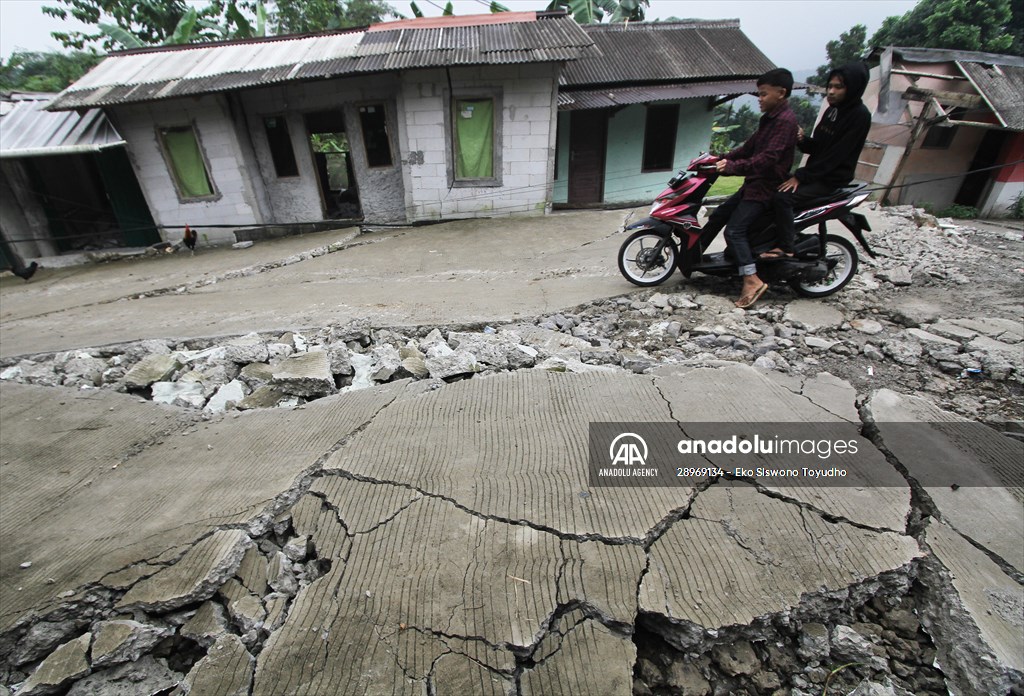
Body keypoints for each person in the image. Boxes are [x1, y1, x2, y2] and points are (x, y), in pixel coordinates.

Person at [702, 68, 798, 308]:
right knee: (719, 215)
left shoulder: (785, 122)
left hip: (765, 187)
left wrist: (733, 167)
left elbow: (767, 159)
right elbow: (748, 147)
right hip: (753, 184)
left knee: (734, 231)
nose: (759, 99)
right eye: (758, 94)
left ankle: (751, 278)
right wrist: (717, 158)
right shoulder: (769, 119)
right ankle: (693, 259)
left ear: (781, 93)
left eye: (763, 94)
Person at [763, 61, 872, 260]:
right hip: (816, 173)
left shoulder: (859, 116)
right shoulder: (833, 110)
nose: (831, 92)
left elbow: (836, 156)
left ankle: (785, 246)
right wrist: (803, 140)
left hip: (831, 179)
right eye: (829, 87)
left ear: (853, 87)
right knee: (770, 187)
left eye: (838, 87)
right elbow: (820, 147)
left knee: (783, 197)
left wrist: (800, 176)